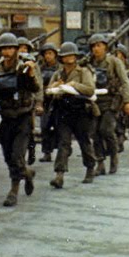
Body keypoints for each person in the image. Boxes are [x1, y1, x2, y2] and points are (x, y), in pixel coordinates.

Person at [0, 32, 41, 207]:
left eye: (10, 48)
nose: (7, 52)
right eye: (4, 49)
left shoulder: (23, 68)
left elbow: (35, 88)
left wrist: (30, 74)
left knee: (17, 156)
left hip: (23, 117)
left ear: (16, 50)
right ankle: (27, 173)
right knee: (8, 157)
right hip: (6, 118)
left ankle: (14, 190)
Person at [46, 42, 97, 187]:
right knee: (63, 142)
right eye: (66, 55)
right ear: (61, 58)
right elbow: (48, 91)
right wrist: (55, 86)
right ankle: (59, 175)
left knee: (84, 141)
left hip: (80, 110)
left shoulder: (83, 72)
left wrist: (74, 85)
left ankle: (90, 168)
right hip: (63, 111)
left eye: (72, 55)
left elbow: (90, 90)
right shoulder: (58, 73)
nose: (69, 58)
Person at [85, 34, 129, 174]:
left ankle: (114, 157)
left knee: (106, 130)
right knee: (94, 132)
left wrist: (128, 101)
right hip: (94, 101)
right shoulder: (89, 63)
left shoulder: (114, 62)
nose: (96, 49)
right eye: (93, 46)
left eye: (99, 46)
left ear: (105, 47)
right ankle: (100, 162)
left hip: (111, 101)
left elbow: (125, 81)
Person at [37, 43, 60, 163]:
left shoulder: (60, 68)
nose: (48, 56)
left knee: (59, 126)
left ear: (55, 54)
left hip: (58, 100)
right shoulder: (40, 68)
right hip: (45, 100)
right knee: (44, 126)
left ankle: (62, 151)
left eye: (50, 53)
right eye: (46, 53)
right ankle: (47, 152)